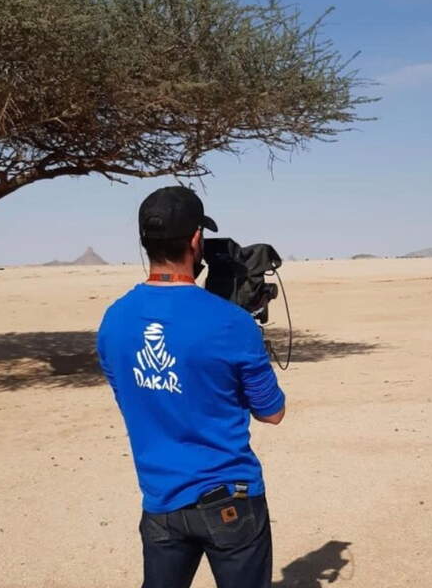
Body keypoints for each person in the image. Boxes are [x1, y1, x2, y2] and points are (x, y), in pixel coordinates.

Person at [97, 185, 286, 588]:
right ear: (197, 240)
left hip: (160, 502)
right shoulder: (231, 323)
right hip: (231, 498)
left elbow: (133, 397)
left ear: (145, 242)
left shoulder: (114, 320)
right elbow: (272, 412)